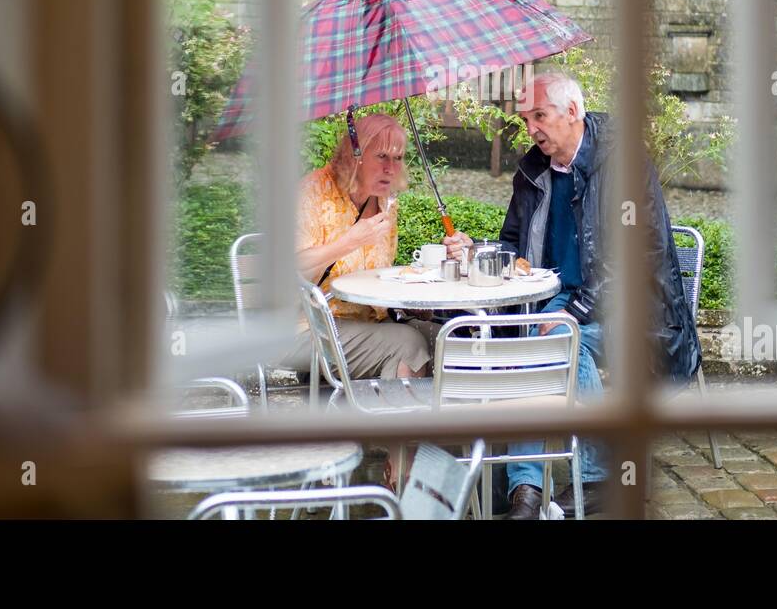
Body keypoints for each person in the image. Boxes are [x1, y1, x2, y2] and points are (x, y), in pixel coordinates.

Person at [444, 72, 700, 518]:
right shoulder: (532, 171)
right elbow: (513, 245)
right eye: (526, 120)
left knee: (560, 339)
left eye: (539, 116)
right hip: (558, 302)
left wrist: (578, 308)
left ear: (573, 112)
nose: (531, 129)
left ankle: (596, 476)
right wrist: (476, 251)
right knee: (531, 338)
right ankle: (526, 490)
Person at [282, 112, 440, 382]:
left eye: (398, 158)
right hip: (305, 327)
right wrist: (350, 241)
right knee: (408, 344)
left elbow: (374, 278)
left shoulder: (385, 205)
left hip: (367, 324)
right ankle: (390, 421)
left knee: (446, 339)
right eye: (381, 156)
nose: (391, 168)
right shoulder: (312, 193)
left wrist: (412, 302)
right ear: (355, 156)